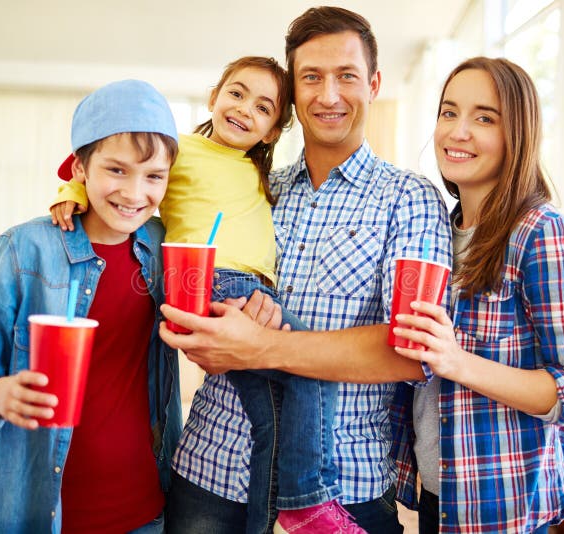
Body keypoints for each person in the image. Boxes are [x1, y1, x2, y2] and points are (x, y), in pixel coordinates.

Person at [156, 7, 451, 534]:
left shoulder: (409, 198)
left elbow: (414, 353)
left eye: (347, 76)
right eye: (311, 77)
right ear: (293, 95)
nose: (329, 95)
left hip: (343, 488)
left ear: (374, 83)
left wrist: (259, 346)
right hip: (211, 467)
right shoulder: (257, 188)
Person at [50, 56, 366, 533]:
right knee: (310, 370)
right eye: (236, 94)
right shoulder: (184, 151)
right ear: (214, 96)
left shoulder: (256, 171)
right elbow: (127, 168)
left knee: (272, 420)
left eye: (263, 108)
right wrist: (71, 189)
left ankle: (273, 517)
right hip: (217, 281)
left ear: (272, 132)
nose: (244, 109)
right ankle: (306, 498)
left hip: (252, 291)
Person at [388, 57, 564, 533]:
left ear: (518, 135)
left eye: (484, 118)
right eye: (448, 113)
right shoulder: (435, 234)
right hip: (438, 501)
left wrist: (457, 360)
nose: (458, 131)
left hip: (503, 510)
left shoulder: (542, 235)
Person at [0, 79, 183, 533]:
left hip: (144, 506)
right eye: (116, 170)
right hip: (36, 509)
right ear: (80, 166)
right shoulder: (25, 249)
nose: (135, 193)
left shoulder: (163, 246)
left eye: (153, 175)